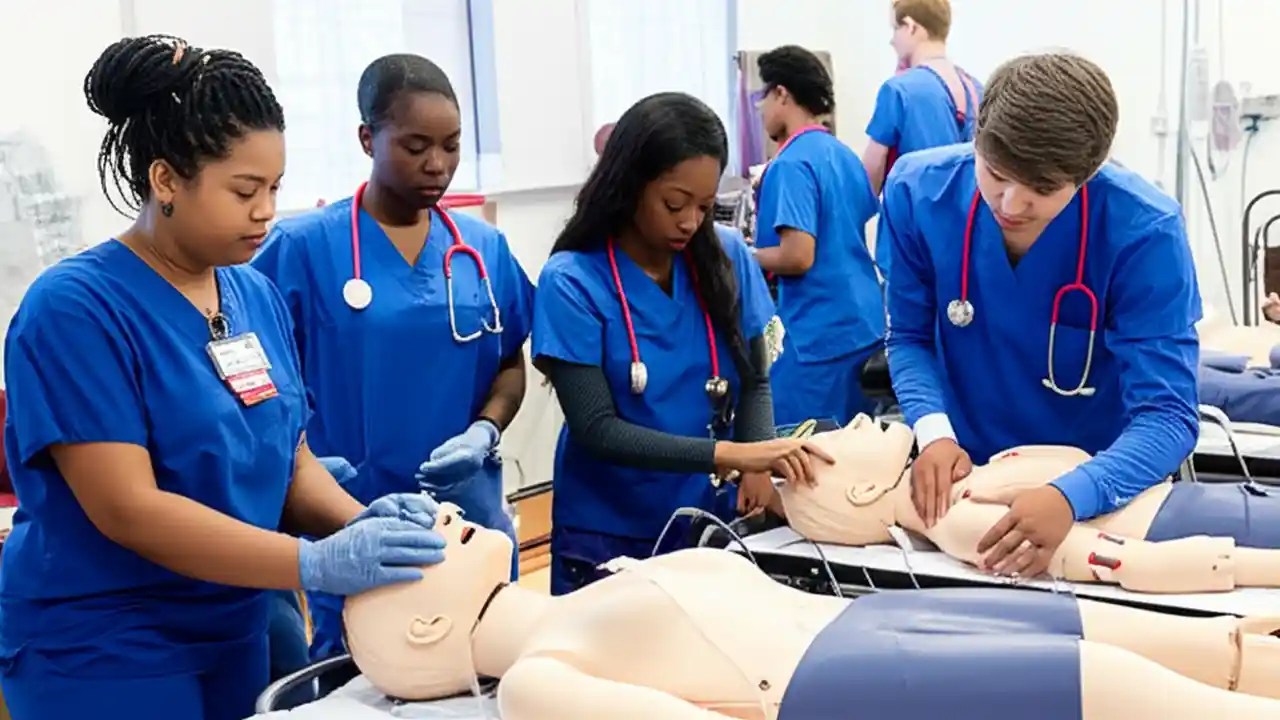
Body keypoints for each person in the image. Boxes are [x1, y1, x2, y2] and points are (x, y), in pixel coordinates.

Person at [0, 36, 446, 720]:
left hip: (234, 622)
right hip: (104, 644)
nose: (266, 210)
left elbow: (288, 457)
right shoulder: (76, 310)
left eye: (274, 188)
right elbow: (130, 510)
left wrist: (362, 526)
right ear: (166, 180)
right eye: (244, 190)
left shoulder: (252, 295)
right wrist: (313, 563)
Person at [342, 503, 1280, 718]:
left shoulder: (593, 588)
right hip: (835, 681)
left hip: (849, 625)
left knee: (1179, 640)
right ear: (424, 629)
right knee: (1117, 686)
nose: (440, 518)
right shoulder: (537, 681)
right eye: (411, 552)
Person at [252, 53, 534, 662]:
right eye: (414, 146)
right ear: (366, 138)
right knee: (362, 667)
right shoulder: (301, 249)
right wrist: (293, 467)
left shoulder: (482, 249)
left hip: (469, 518)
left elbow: (511, 361)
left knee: (485, 663)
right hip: (353, 513)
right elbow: (254, 379)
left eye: (452, 146)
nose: (438, 164)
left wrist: (486, 429)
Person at [883, 52, 1201, 582]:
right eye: (996, 174)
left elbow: (1167, 415)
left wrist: (1072, 494)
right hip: (970, 481)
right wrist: (934, 431)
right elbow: (910, 337)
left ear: (1087, 174)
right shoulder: (919, 193)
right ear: (976, 135)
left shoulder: (1143, 230)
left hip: (1099, 490)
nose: (1010, 203)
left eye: (1042, 190)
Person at [532, 92, 834, 596]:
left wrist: (756, 459)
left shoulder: (726, 256)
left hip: (705, 522)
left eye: (704, 205)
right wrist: (734, 454)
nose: (691, 222)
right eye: (674, 204)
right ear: (629, 184)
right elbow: (597, 429)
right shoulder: (573, 281)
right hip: (608, 532)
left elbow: (754, 377)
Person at [781, 415, 1280, 593]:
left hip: (1181, 502)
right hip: (1179, 521)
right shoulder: (961, 520)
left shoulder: (966, 480)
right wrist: (1266, 568)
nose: (860, 421)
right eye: (848, 436)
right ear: (863, 491)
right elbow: (1130, 562)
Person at [750, 46, 885, 427]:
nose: (760, 110)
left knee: (800, 450)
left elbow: (798, 256)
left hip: (816, 334)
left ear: (781, 94)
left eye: (763, 98)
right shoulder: (841, 154)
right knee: (855, 448)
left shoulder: (791, 164)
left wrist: (740, 253)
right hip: (862, 323)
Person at [863, 0, 983, 281]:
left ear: (911, 27)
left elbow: (869, 179)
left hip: (911, 244)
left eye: (895, 29)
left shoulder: (899, 90)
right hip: (965, 243)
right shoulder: (977, 89)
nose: (892, 41)